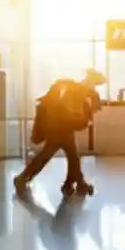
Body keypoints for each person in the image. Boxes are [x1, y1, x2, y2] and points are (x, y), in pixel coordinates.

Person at [14, 69, 105, 197]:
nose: (94, 85)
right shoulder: (80, 90)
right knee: (54, 156)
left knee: (68, 156)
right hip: (61, 128)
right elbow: (75, 111)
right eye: (94, 82)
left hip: (62, 127)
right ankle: (23, 178)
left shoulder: (74, 88)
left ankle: (73, 184)